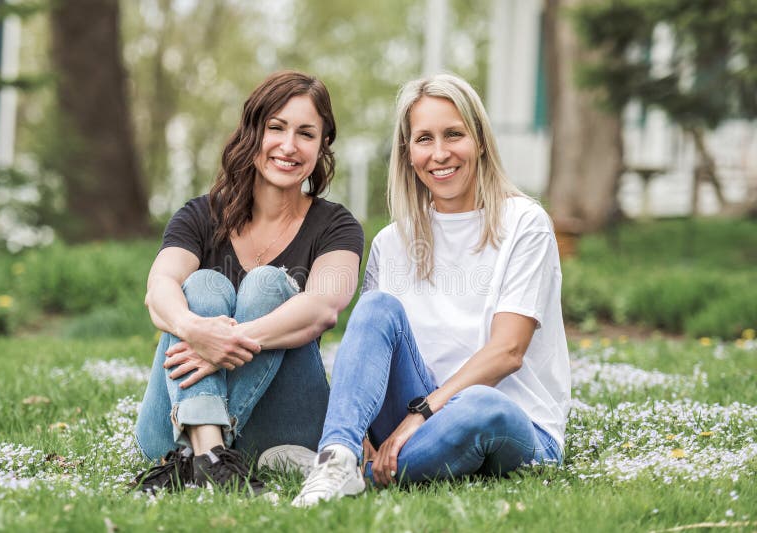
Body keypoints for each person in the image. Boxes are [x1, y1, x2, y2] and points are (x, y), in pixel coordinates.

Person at [292, 73, 571, 506]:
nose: (440, 154)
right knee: (377, 307)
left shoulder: (525, 223)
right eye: (424, 139)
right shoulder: (391, 241)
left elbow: (508, 351)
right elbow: (373, 347)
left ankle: (366, 475)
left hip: (509, 422)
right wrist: (365, 429)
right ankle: (337, 457)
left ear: (479, 140)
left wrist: (422, 415)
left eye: (453, 135)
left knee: (481, 406)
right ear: (408, 152)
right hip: (413, 413)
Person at [131, 70, 364, 493]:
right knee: (200, 286)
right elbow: (160, 286)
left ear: (322, 145)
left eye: (306, 133)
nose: (289, 146)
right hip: (166, 429)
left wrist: (222, 346)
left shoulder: (336, 226)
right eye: (276, 127)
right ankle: (209, 451)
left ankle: (196, 458)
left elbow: (322, 308)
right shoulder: (200, 215)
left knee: (267, 287)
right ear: (252, 133)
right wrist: (193, 329)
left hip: (283, 428)